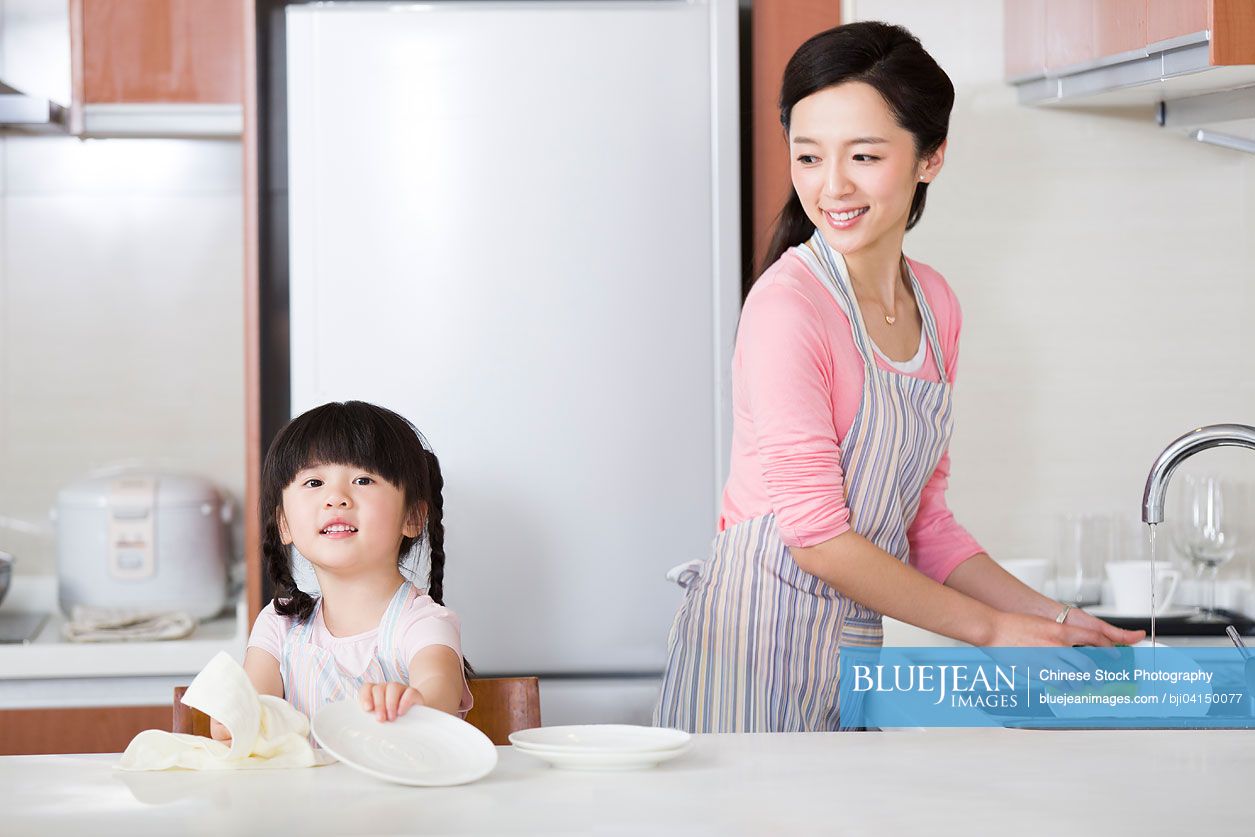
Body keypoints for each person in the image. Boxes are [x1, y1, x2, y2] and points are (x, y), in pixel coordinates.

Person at [654, 21, 1142, 733]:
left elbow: (925, 523)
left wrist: (1051, 616)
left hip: (849, 668)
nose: (832, 186)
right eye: (809, 156)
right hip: (746, 662)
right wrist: (988, 630)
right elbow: (816, 536)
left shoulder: (934, 303)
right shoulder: (787, 307)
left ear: (929, 157)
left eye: (863, 155)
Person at [210, 401, 472, 742]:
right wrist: (239, 721)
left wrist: (416, 705)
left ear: (412, 517)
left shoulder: (421, 623)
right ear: (284, 524)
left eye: (363, 479)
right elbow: (253, 720)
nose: (336, 497)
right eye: (314, 482)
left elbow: (440, 692)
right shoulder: (279, 626)